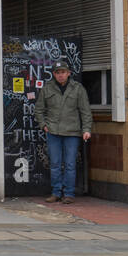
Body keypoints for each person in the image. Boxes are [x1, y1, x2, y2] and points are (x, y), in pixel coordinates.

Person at [34, 59, 92, 204]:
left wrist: (86, 129)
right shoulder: (47, 88)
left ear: (68, 73)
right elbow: (39, 109)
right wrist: (43, 125)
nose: (61, 75)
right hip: (53, 131)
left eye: (63, 72)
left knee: (70, 164)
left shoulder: (78, 88)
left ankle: (69, 193)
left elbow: (85, 111)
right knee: (55, 163)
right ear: (54, 74)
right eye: (58, 72)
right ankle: (56, 192)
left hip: (72, 132)